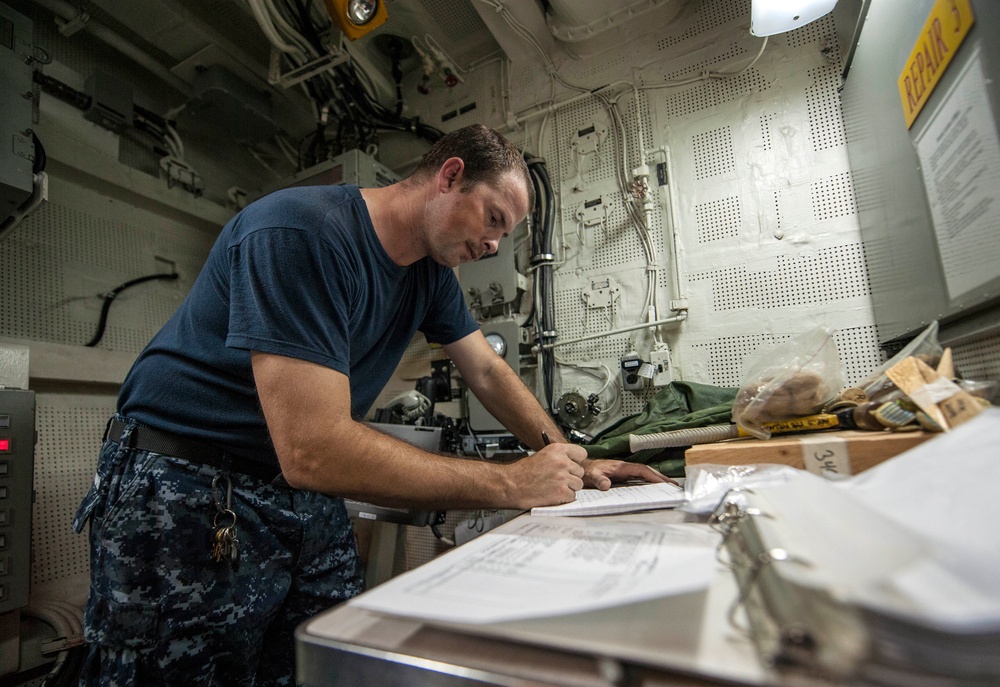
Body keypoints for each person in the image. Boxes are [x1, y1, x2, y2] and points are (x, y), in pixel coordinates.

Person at [73, 123, 666, 686]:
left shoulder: (430, 276)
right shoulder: (301, 232)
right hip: (187, 483)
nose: (492, 245)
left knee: (329, 663)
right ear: (450, 176)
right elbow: (314, 449)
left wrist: (569, 456)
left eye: (504, 233)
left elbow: (486, 368)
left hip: (292, 492)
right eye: (493, 218)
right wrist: (512, 483)